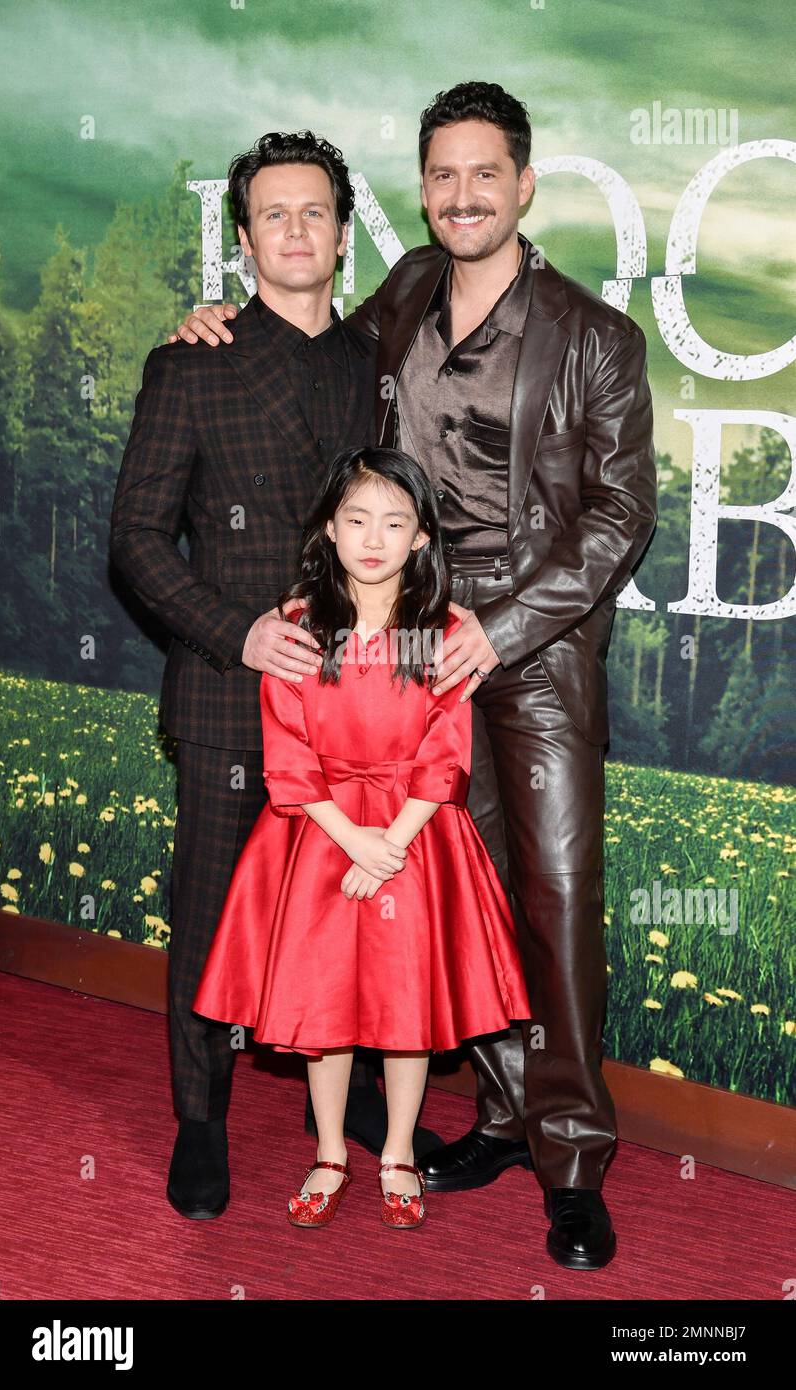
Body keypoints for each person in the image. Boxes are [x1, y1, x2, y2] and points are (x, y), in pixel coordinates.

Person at [172, 80, 658, 1269]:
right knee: (454, 895)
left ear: (524, 183)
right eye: (440, 176)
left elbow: (620, 515)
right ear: (423, 194)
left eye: (483, 173)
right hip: (399, 655)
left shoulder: (594, 336)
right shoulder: (397, 299)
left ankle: (573, 1154)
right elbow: (303, 326)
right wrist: (211, 317)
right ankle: (498, 1113)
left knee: (551, 899)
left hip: (528, 653)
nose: (460, 195)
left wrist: (506, 625)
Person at [110, 130, 442, 1229]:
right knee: (211, 915)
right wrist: (236, 634)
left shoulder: (373, 365)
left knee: (354, 910)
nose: (295, 231)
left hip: (360, 719)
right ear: (244, 236)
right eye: (273, 214)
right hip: (226, 699)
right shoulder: (191, 359)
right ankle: (198, 1119)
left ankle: (339, 1121)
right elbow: (137, 542)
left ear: (344, 236)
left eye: (315, 213)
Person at [191, 445, 531, 1228]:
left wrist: (392, 845)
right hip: (319, 838)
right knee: (326, 1009)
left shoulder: (440, 631)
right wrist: (352, 840)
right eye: (356, 520)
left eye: (394, 522)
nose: (373, 538)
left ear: (420, 537)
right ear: (329, 531)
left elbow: (446, 755)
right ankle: (333, 1151)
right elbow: (288, 757)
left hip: (418, 840)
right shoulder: (299, 628)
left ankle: (403, 1150)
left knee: (406, 1009)